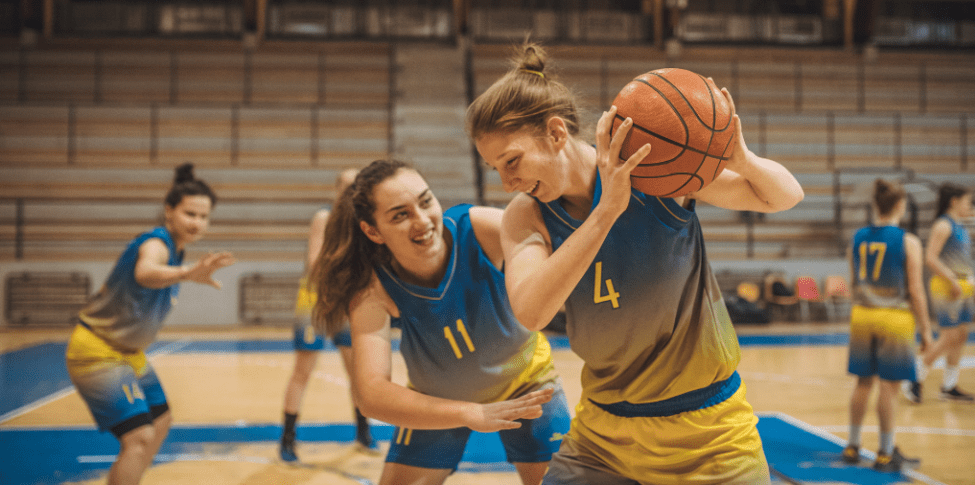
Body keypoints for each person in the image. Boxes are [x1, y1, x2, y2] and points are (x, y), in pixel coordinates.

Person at [468, 42, 804, 485]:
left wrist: (742, 159)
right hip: (603, 434)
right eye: (495, 168)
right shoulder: (525, 215)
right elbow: (532, 311)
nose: (507, 180)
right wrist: (606, 211)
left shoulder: (654, 172)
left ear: (555, 133)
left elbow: (784, 196)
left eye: (512, 160)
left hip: (707, 430)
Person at [310, 159, 571, 485]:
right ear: (373, 231)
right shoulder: (372, 287)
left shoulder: (479, 227)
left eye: (425, 201)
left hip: (529, 385)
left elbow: (563, 254)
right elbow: (370, 393)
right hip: (436, 403)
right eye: (400, 215)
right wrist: (467, 412)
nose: (422, 221)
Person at [65, 163, 236, 485]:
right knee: (139, 437)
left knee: (162, 420)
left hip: (129, 354)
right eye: (190, 214)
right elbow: (145, 271)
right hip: (98, 352)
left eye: (203, 217)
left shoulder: (176, 248)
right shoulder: (156, 242)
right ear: (168, 210)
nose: (197, 223)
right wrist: (187, 273)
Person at [279, 168, 377, 463]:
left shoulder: (363, 224)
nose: (351, 193)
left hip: (346, 301)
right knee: (303, 371)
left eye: (357, 187)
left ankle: (363, 432)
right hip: (316, 303)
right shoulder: (325, 218)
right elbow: (315, 266)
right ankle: (287, 439)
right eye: (347, 187)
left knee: (356, 372)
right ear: (336, 190)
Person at [841, 179, 932, 473]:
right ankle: (884, 453)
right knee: (889, 389)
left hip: (863, 316)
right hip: (894, 318)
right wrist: (927, 331)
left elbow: (854, 280)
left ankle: (853, 446)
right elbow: (916, 290)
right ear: (900, 206)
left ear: (875, 205)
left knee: (862, 383)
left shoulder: (857, 237)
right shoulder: (908, 241)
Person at [903, 183, 975, 403]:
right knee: (948, 337)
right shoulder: (943, 225)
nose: (971, 206)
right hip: (946, 289)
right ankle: (914, 378)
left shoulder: (961, 227)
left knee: (961, 335)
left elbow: (962, 263)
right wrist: (952, 280)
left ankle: (949, 386)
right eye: (968, 201)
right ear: (954, 201)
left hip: (962, 288)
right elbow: (930, 258)